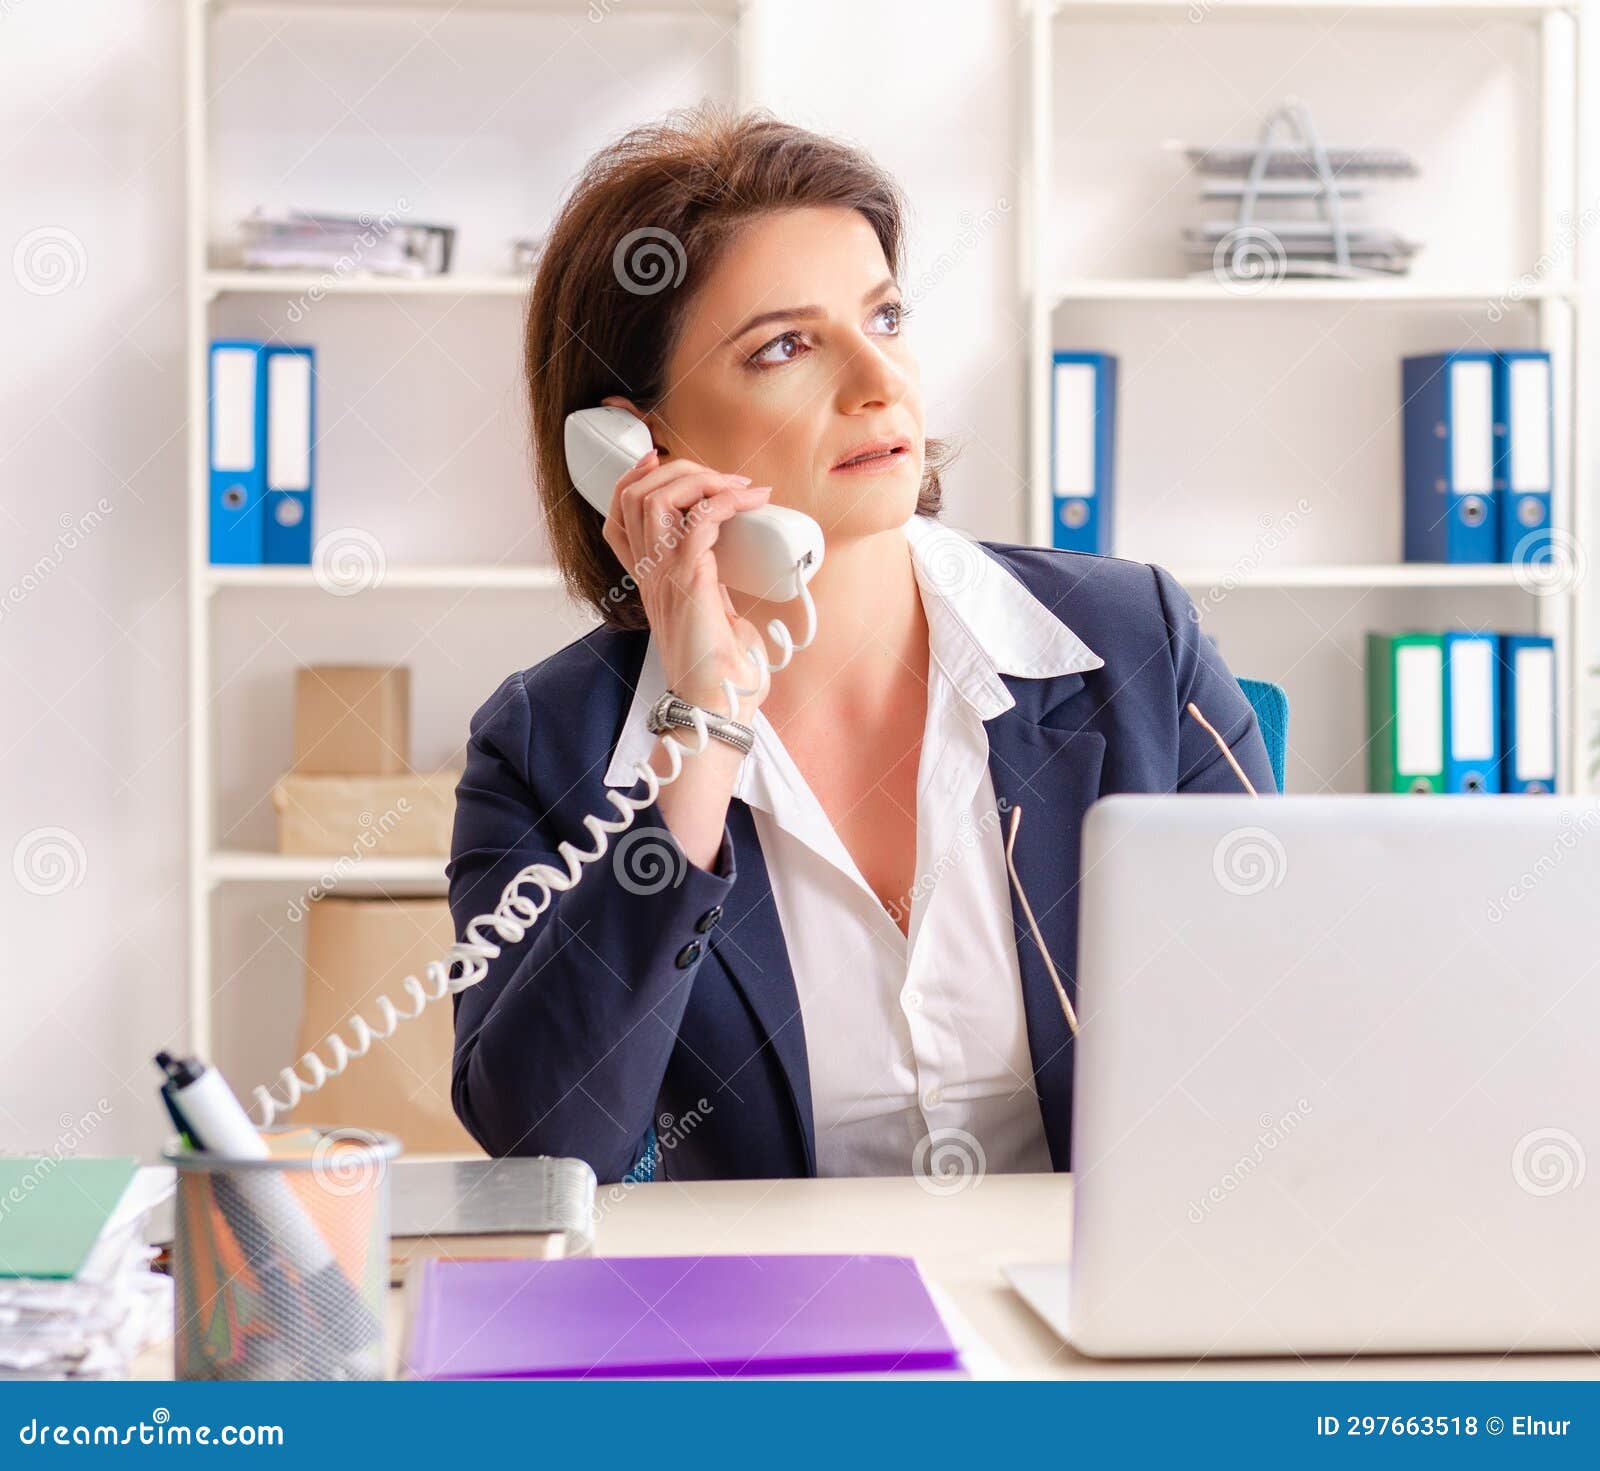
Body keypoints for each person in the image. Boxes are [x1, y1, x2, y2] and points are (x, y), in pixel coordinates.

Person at [446, 103, 1275, 1184]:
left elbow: (1284, 1035)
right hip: (764, 1334)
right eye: (784, 346)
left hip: (1094, 1324)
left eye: (883, 318)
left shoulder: (1132, 645)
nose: (877, 382)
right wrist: (695, 739)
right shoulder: (549, 743)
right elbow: (545, 1147)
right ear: (634, 447)